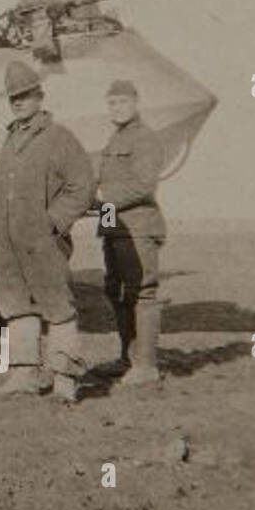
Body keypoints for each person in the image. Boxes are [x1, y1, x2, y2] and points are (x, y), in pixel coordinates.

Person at [0, 61, 95, 401]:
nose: (18, 102)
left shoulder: (59, 138)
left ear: (40, 97)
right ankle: (23, 375)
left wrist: (53, 223)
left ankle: (64, 380)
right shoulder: (11, 139)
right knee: (16, 305)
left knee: (57, 306)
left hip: (42, 243)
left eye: (25, 96)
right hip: (8, 243)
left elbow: (82, 186)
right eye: (13, 97)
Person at [97, 80, 166, 387]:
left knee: (143, 291)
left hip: (138, 229)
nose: (117, 108)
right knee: (116, 290)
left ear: (136, 103)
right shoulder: (116, 139)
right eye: (112, 103)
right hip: (115, 230)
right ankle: (128, 358)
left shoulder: (145, 139)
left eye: (123, 102)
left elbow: (143, 185)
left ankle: (147, 365)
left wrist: (101, 201)